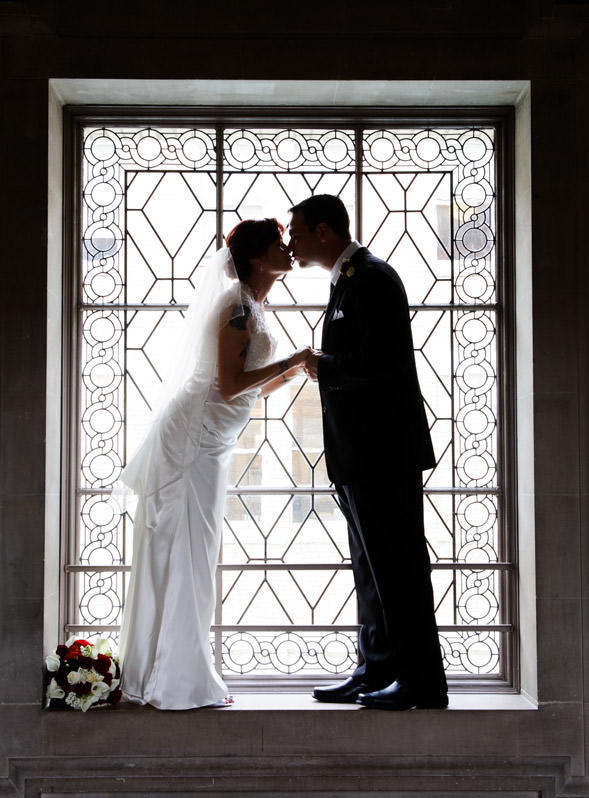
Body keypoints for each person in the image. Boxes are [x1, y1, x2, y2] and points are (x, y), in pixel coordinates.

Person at [117, 218, 310, 710]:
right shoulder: (237, 307)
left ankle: (171, 671)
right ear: (257, 257)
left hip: (213, 438)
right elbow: (227, 386)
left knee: (196, 550)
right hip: (193, 439)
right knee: (187, 550)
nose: (288, 249)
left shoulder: (252, 305)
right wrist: (291, 359)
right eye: (278, 243)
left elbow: (250, 386)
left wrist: (294, 371)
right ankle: (176, 680)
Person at [290, 194, 448, 710]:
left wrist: (324, 366)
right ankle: (377, 668)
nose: (291, 245)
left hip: (384, 455)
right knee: (371, 570)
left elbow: (383, 364)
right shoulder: (349, 279)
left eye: (296, 234)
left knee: (399, 569)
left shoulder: (372, 278)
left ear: (322, 231)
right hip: (361, 455)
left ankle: (422, 682)